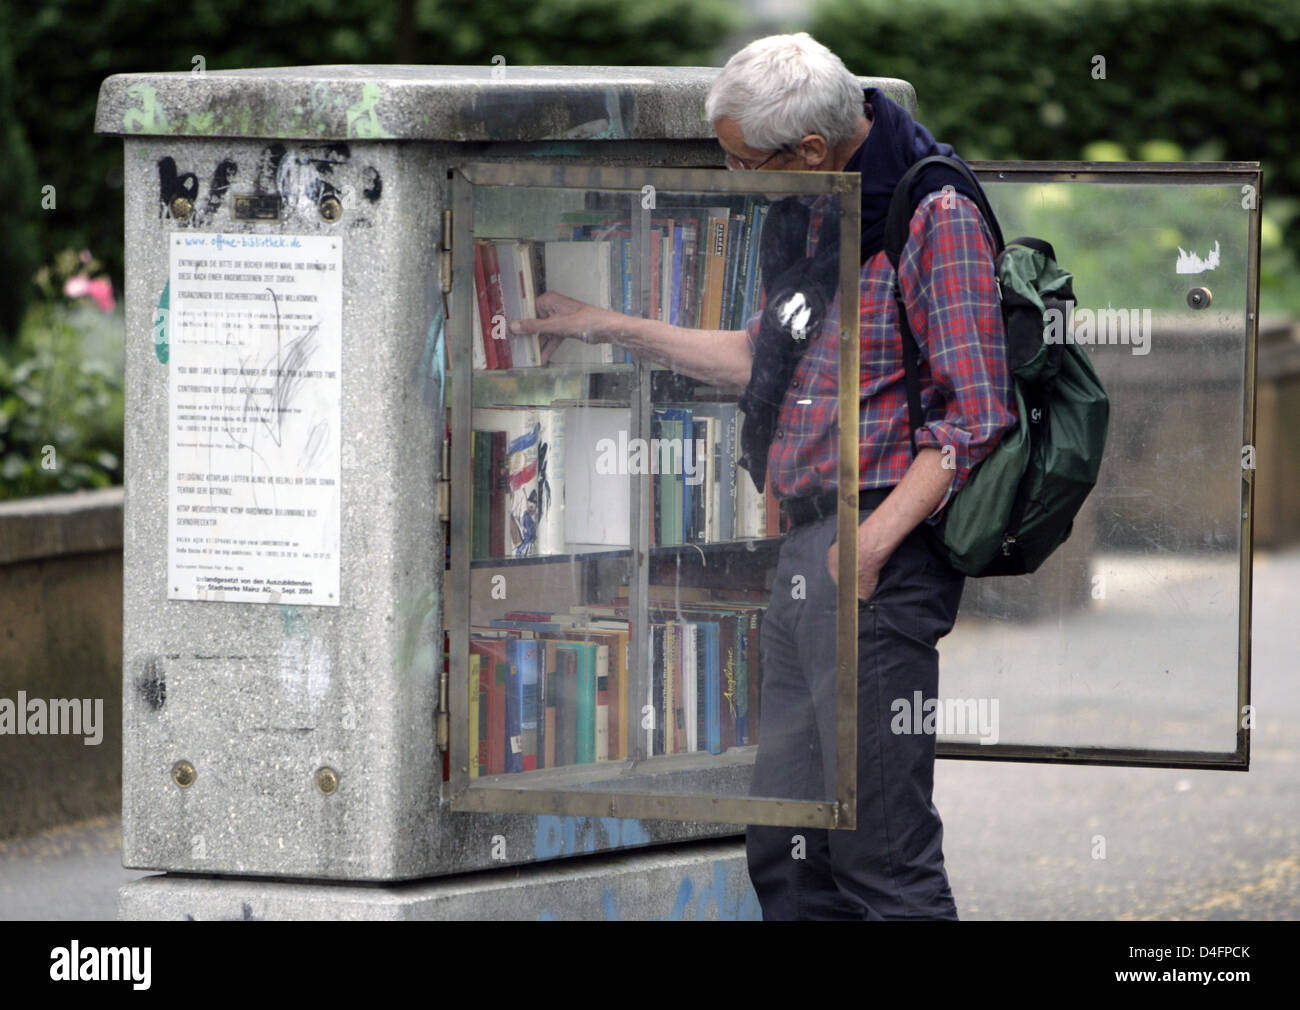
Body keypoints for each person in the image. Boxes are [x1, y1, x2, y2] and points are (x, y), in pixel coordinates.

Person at [510, 32, 1016, 920]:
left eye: (745, 162)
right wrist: (603, 323)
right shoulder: (818, 206)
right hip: (807, 546)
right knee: (785, 846)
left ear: (811, 150)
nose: (739, 178)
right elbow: (760, 360)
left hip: (875, 551)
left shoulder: (932, 210)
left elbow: (976, 412)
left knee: (881, 854)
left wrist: (868, 548)